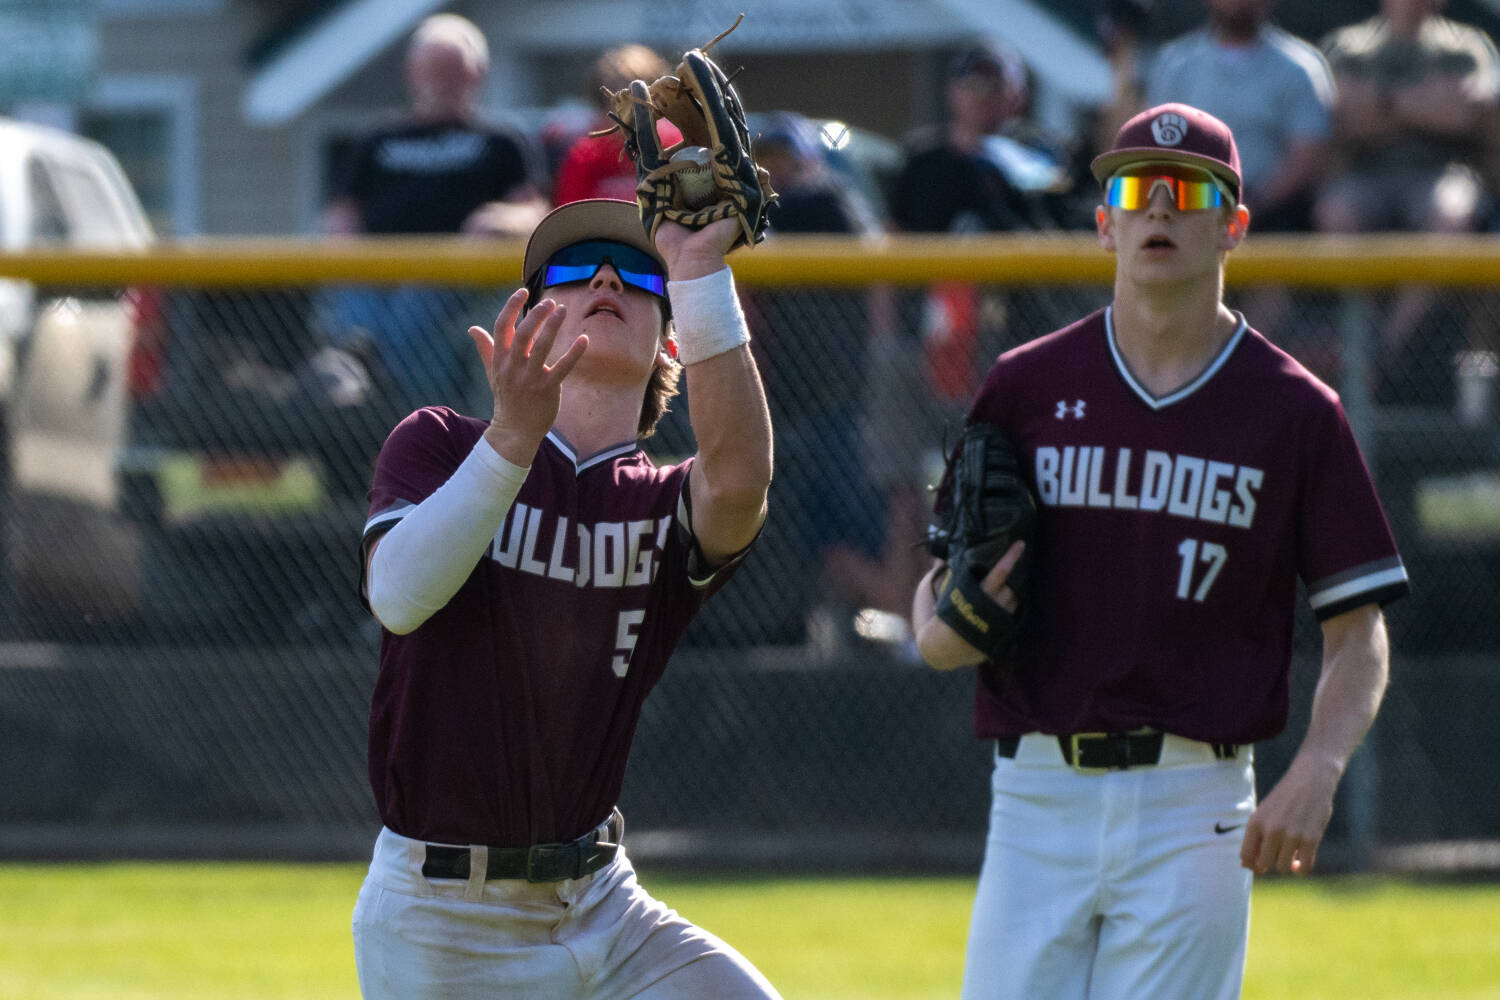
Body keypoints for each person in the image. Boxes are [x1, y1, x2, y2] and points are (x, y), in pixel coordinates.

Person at [910, 103, 1410, 999]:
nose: (1160, 209)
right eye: (1137, 190)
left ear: (1234, 227)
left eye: (1188, 192)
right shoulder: (1027, 384)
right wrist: (944, 629)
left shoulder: (1295, 411)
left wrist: (1320, 769)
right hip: (1036, 795)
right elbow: (939, 603)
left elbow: (1358, 629)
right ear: (1105, 224)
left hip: (1196, 803)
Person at [350, 199, 780, 998]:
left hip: (603, 904)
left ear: (670, 338)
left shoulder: (660, 502)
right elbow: (400, 597)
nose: (608, 277)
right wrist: (512, 439)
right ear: (527, 320)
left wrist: (700, 273)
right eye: (576, 271)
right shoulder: (441, 442)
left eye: (637, 275)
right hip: (444, 919)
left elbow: (740, 480)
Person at [321, 13, 550, 413]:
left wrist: (496, 220)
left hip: (451, 278)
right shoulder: (377, 139)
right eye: (433, 70)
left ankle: (374, 390)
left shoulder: (501, 142)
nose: (442, 82)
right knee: (355, 298)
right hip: (375, 275)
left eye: (453, 71)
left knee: (418, 296)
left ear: (477, 74)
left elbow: (534, 211)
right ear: (412, 73)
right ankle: (356, 385)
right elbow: (341, 215)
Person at [1314, 0, 1500, 395]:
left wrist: (1381, 102)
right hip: (1365, 173)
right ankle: (1361, 339)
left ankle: (1380, 350)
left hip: (1440, 172)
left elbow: (1465, 114)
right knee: (1336, 212)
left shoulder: (1465, 45)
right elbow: (1342, 116)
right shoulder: (1349, 45)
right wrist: (1422, 103)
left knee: (1451, 218)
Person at [1146, 0, 1335, 232]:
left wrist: (1251, 204)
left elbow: (1309, 152)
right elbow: (1155, 145)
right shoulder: (1176, 63)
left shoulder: (1301, 67)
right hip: (1185, 209)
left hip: (1273, 217)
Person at [552, 43, 684, 205]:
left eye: (638, 90)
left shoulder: (677, 147)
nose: (627, 100)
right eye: (616, 90)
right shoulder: (585, 156)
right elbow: (571, 213)